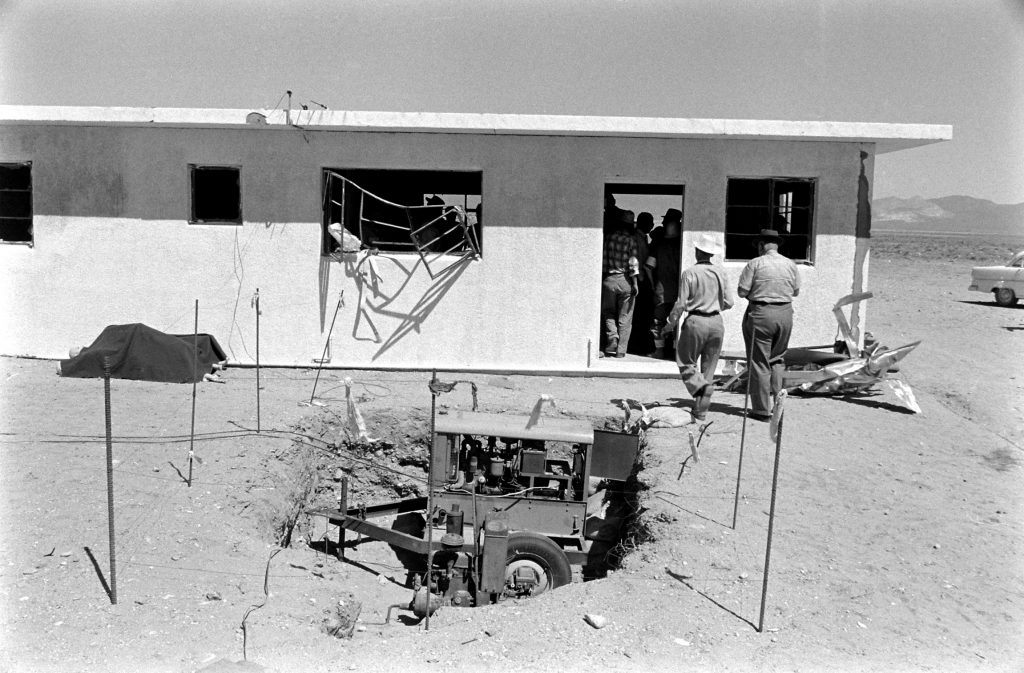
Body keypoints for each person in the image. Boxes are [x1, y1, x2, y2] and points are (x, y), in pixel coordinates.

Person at [663, 233, 734, 423]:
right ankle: (701, 411)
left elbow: (680, 304)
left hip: (696, 321)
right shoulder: (721, 273)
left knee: (686, 362)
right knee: (709, 368)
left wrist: (670, 323)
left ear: (697, 251)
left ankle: (701, 388)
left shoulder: (690, 273)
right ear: (711, 254)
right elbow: (729, 302)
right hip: (717, 322)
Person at [737, 228, 801, 420]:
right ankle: (778, 405)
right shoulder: (790, 264)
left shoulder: (755, 264)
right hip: (785, 313)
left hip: (761, 313)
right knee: (778, 359)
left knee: (759, 362)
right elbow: (796, 291)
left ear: (761, 245)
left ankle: (761, 409)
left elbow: (742, 291)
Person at [601, 210, 640, 358]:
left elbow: (603, 260)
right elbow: (633, 263)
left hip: (609, 279)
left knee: (608, 312)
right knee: (626, 317)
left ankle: (612, 337)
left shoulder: (609, 238)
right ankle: (621, 351)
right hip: (625, 280)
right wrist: (635, 283)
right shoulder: (631, 240)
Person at [646, 208, 682, 359]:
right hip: (679, 291)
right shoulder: (681, 245)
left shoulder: (658, 245)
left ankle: (659, 351)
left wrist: (653, 284)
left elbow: (648, 266)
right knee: (676, 322)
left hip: (661, 290)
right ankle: (674, 352)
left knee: (658, 322)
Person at [627, 212, 655, 355]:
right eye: (650, 222)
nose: (652, 225)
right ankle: (636, 346)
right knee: (639, 316)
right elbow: (636, 261)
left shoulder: (643, 238)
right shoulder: (637, 239)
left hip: (641, 280)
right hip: (640, 281)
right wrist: (638, 282)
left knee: (641, 316)